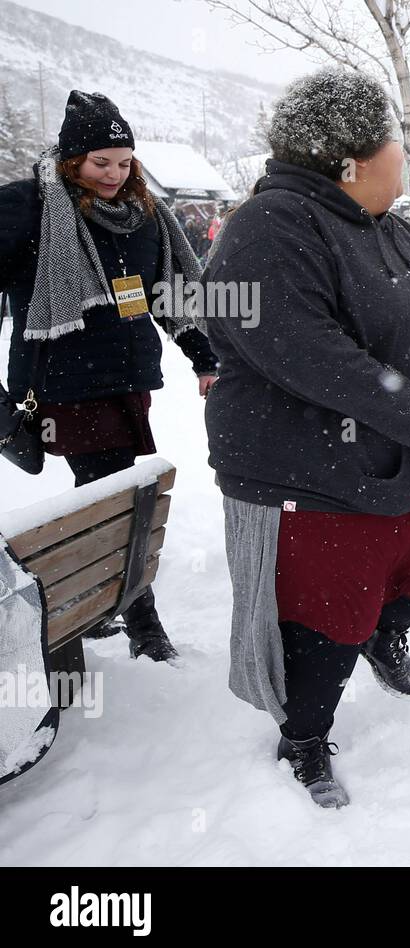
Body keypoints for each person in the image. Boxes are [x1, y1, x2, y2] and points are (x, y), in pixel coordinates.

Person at [204, 67, 410, 809]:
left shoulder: (395, 230)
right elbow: (313, 357)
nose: (398, 152)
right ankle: (304, 740)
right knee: (326, 620)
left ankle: (386, 632)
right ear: (349, 160)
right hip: (309, 468)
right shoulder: (270, 227)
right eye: (389, 138)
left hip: (405, 450)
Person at [0, 90, 219, 663]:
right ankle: (141, 621)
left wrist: (202, 356)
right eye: (101, 162)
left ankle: (87, 607)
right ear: (72, 161)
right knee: (116, 488)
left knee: (103, 493)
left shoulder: (144, 216)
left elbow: (164, 295)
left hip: (129, 380)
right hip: (65, 383)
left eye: (124, 163)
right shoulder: (34, 207)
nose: (114, 175)